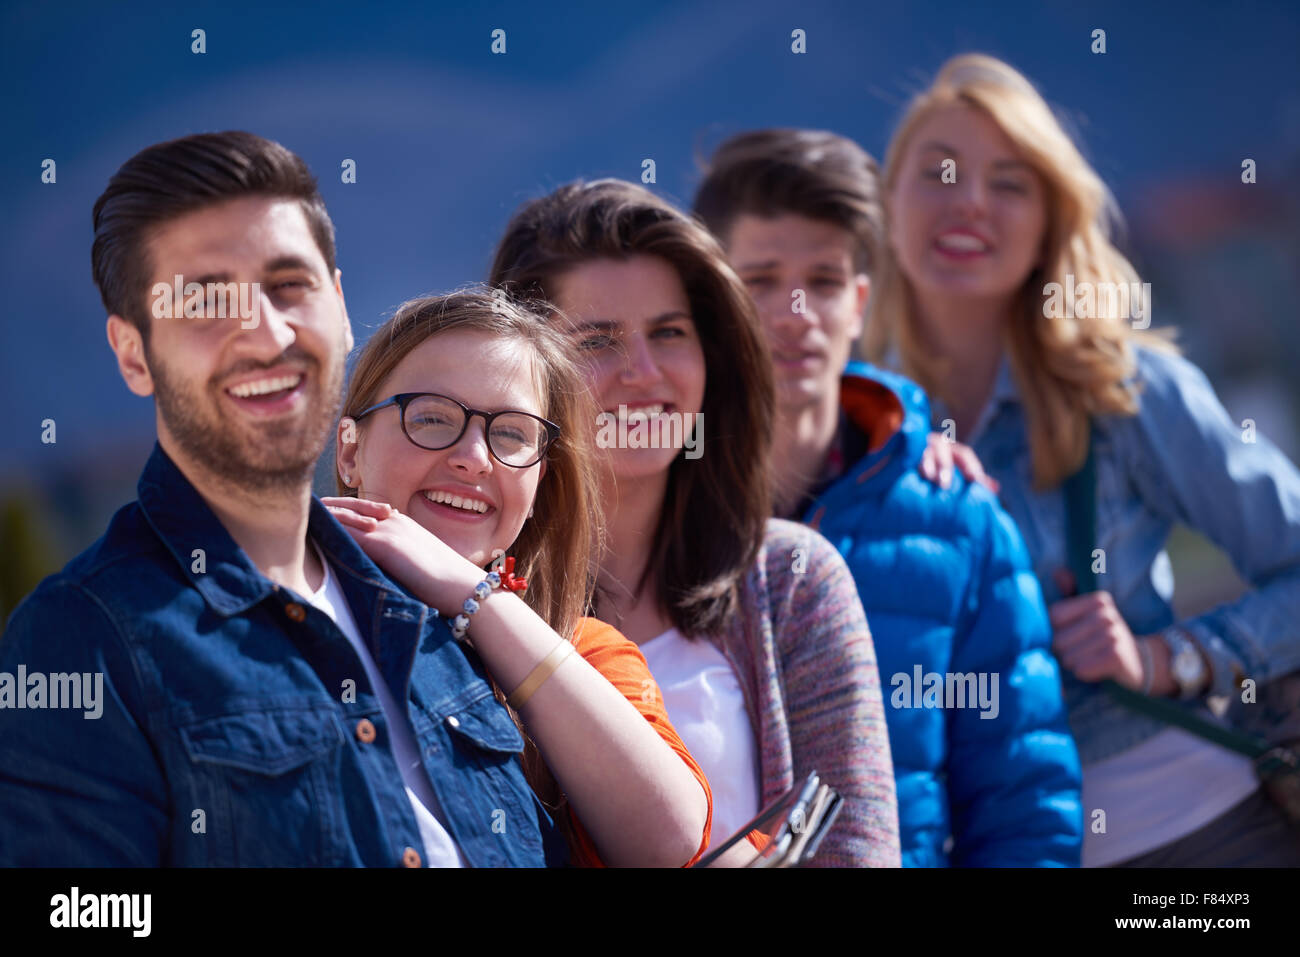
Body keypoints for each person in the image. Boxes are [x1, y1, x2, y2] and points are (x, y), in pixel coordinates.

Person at [0, 132, 560, 867]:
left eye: (289, 285)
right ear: (135, 353)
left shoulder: (421, 608)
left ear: (338, 303)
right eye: (206, 300)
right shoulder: (81, 637)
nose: (266, 334)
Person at [865, 53, 1300, 866]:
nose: (969, 201)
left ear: (1050, 222)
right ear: (887, 206)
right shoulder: (855, 434)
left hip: (1199, 842)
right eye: (940, 172)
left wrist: (1174, 656)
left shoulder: (1124, 391)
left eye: (1010, 181)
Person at [692, 128, 1083, 867]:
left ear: (861, 303)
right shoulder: (651, 507)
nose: (797, 312)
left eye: (826, 281)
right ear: (712, 299)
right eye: (762, 280)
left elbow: (1023, 801)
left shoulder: (959, 517)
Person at [489, 179, 901, 867]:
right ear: (524, 373)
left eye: (669, 332)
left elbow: (858, 850)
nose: (643, 372)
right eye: (598, 341)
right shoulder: (472, 597)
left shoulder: (794, 581)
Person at [326, 288, 711, 867]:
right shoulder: (277, 601)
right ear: (350, 453)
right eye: (431, 417)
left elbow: (671, 842)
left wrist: (472, 596)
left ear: (537, 488)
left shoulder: (585, 650)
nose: (475, 457)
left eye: (510, 434)